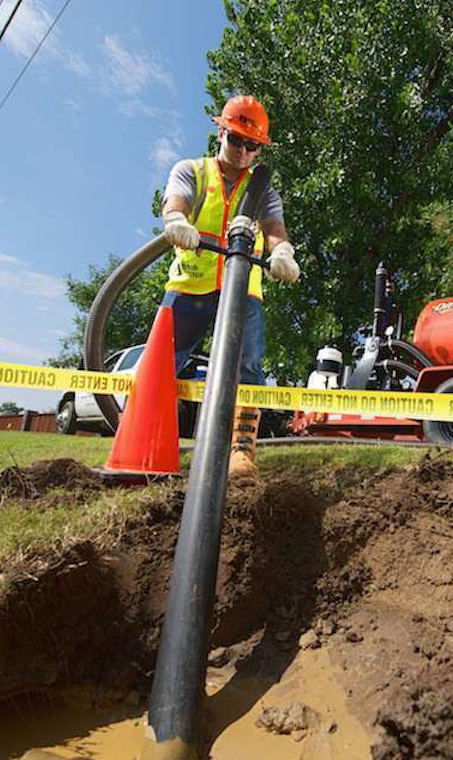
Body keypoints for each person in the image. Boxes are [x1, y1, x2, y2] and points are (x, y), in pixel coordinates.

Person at [159, 95, 298, 481]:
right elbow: (175, 202)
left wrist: (282, 251)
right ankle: (153, 439)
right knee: (162, 363)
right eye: (236, 139)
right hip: (191, 285)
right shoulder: (193, 171)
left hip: (243, 293)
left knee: (248, 370)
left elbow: (273, 230)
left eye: (252, 145)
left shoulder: (263, 189)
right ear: (220, 132)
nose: (243, 151)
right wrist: (175, 219)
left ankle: (241, 451)